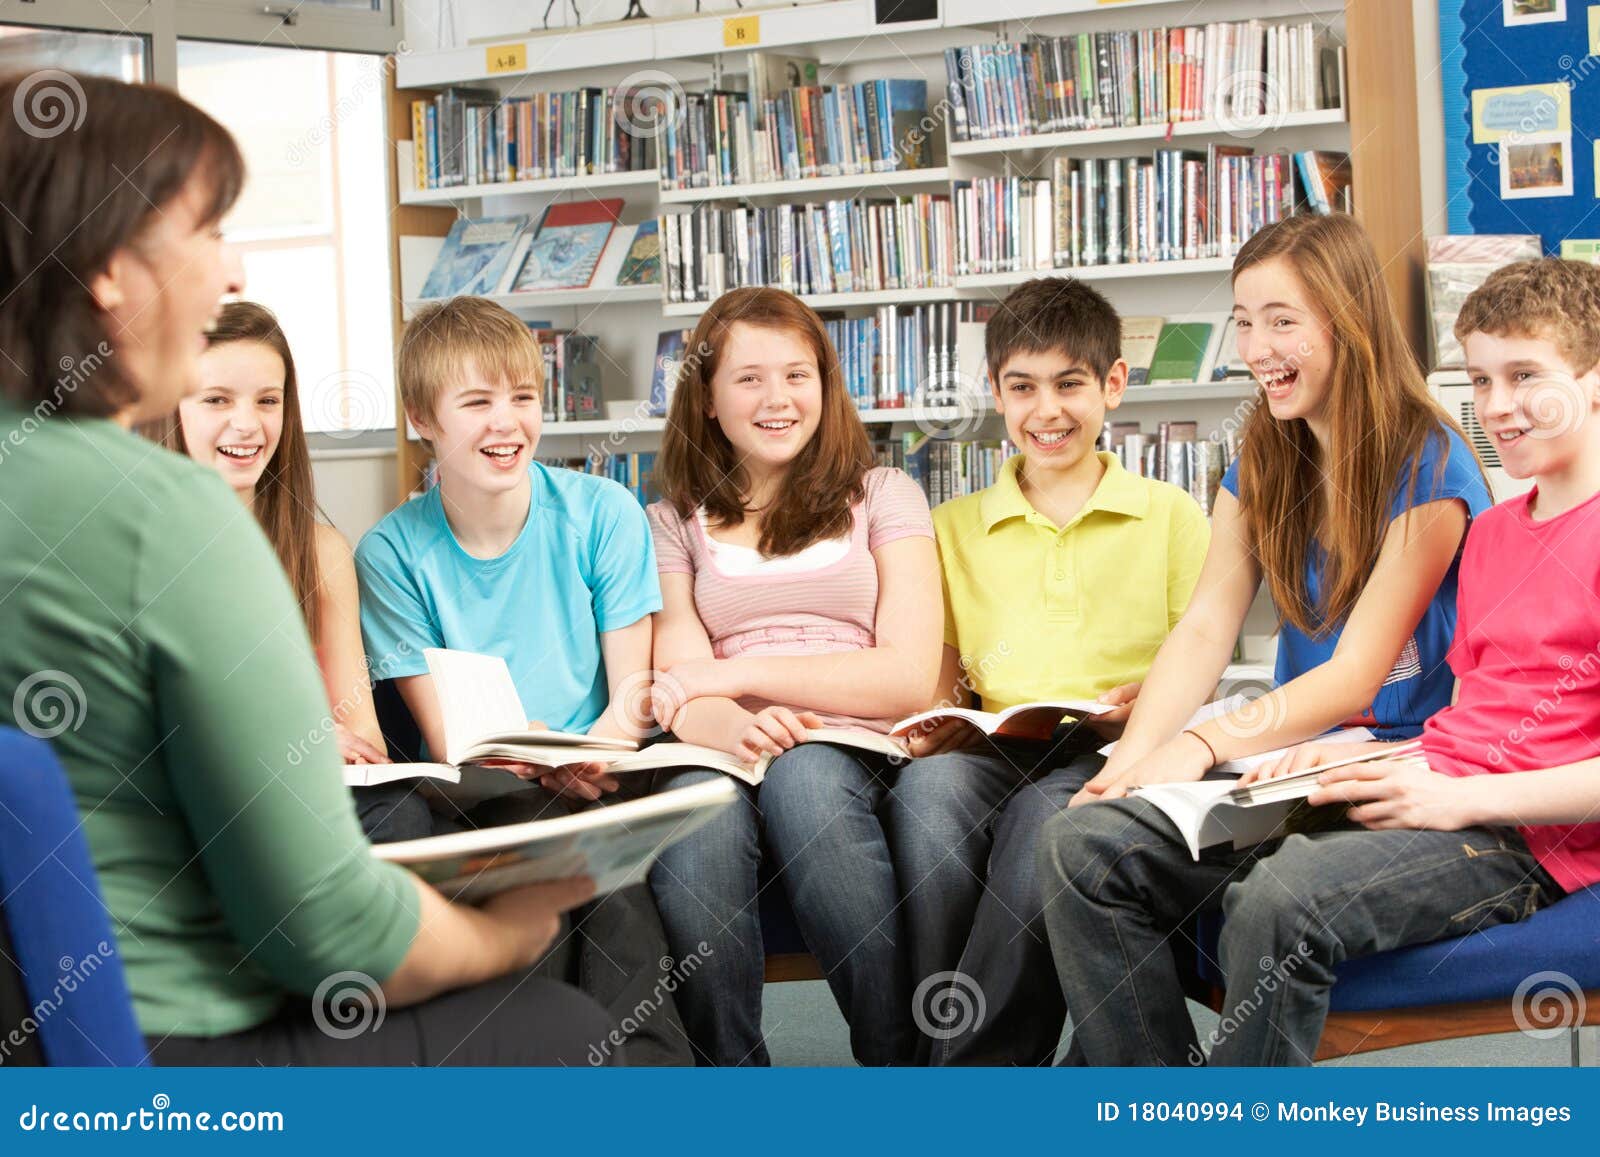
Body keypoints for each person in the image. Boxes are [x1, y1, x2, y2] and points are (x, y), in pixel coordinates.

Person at [0, 72, 610, 1065]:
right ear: (110, 272)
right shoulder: (165, 515)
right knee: (567, 1028)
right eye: (209, 231)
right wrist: (506, 935)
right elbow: (324, 926)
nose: (234, 268)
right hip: (169, 1048)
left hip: (32, 1042)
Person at [1035, 211, 1496, 1065]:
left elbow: (1357, 674)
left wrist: (1202, 741)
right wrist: (1129, 763)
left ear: (1347, 322)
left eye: (1283, 321)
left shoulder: (1431, 463)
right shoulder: (1265, 453)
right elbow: (1207, 623)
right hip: (1290, 768)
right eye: (1244, 321)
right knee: (1082, 844)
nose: (1257, 347)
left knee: (1271, 892)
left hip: (1393, 772)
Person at [353, 295, 690, 1064]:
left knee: (591, 859)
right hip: (484, 789)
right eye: (477, 402)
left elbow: (628, 700)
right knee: (552, 844)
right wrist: (537, 765)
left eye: (523, 397)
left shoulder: (605, 512)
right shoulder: (391, 554)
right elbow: (452, 738)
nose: (506, 423)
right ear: (421, 417)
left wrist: (589, 757)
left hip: (606, 774)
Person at [892, 277, 1210, 1064]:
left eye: (1070, 384)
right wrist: (939, 714)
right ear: (996, 392)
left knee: (1046, 824)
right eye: (1023, 387)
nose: (1047, 410)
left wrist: (1146, 701)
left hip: (1118, 743)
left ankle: (973, 1074)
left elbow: (1197, 653)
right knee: (927, 799)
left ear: (1113, 383)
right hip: (996, 743)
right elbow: (942, 668)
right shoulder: (951, 526)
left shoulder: (1172, 513)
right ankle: (939, 1032)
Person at [645, 287, 942, 1065]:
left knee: (804, 780)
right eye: (748, 378)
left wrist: (742, 673)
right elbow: (679, 682)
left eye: (796, 375)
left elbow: (909, 674)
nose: (777, 398)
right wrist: (738, 723)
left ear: (825, 385)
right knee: (694, 824)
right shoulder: (671, 521)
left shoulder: (886, 494)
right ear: (707, 398)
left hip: (850, 744)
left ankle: (898, 1063)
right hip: (721, 740)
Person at [142, 301, 387, 767]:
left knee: (401, 808)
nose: (247, 424)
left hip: (319, 787)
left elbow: (363, 733)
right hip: (206, 791)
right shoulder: (133, 553)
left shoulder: (322, 552)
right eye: (217, 399)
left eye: (268, 401)